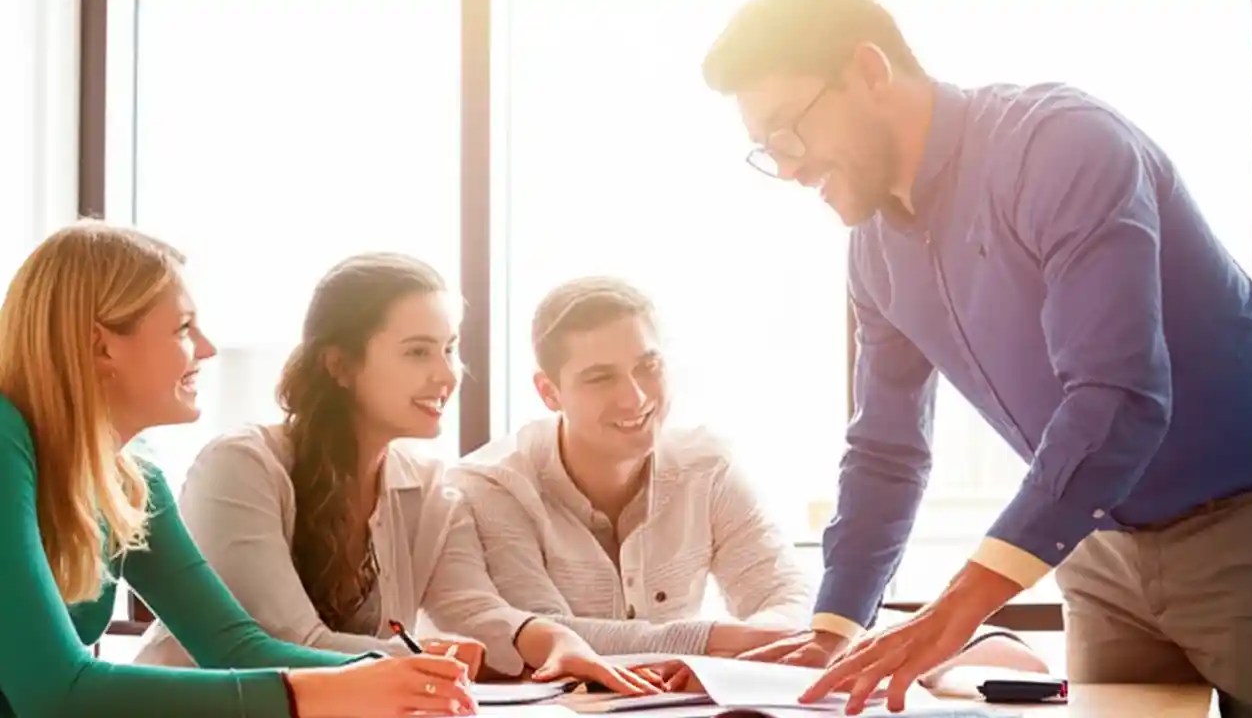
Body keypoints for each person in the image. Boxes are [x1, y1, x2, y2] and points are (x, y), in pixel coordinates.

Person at [701, 0, 1252, 715]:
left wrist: (957, 606)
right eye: (768, 149)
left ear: (869, 71)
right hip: (1097, 550)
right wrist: (833, 628)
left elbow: (1118, 396)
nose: (789, 167)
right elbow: (885, 450)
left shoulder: (1061, 146)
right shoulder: (874, 253)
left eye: (789, 129)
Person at [450, 276, 1047, 686]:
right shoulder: (491, 485)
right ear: (549, 392)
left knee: (1006, 659)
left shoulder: (706, 465)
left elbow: (788, 602)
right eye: (600, 378)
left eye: (648, 366)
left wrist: (743, 650)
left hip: (674, 705)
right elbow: (547, 634)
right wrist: (720, 643)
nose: (634, 397)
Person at [0, 223, 474, 718]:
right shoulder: (4, 439)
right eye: (183, 328)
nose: (206, 348)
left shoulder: (132, 481)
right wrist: (331, 691)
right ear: (102, 347)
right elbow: (56, 692)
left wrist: (398, 677)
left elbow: (235, 648)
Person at [134, 253, 662, 696]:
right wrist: (423, 657)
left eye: (449, 349)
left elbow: (472, 606)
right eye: (417, 352)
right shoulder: (242, 465)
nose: (447, 374)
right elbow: (286, 644)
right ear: (340, 365)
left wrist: (555, 641)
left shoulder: (430, 488)